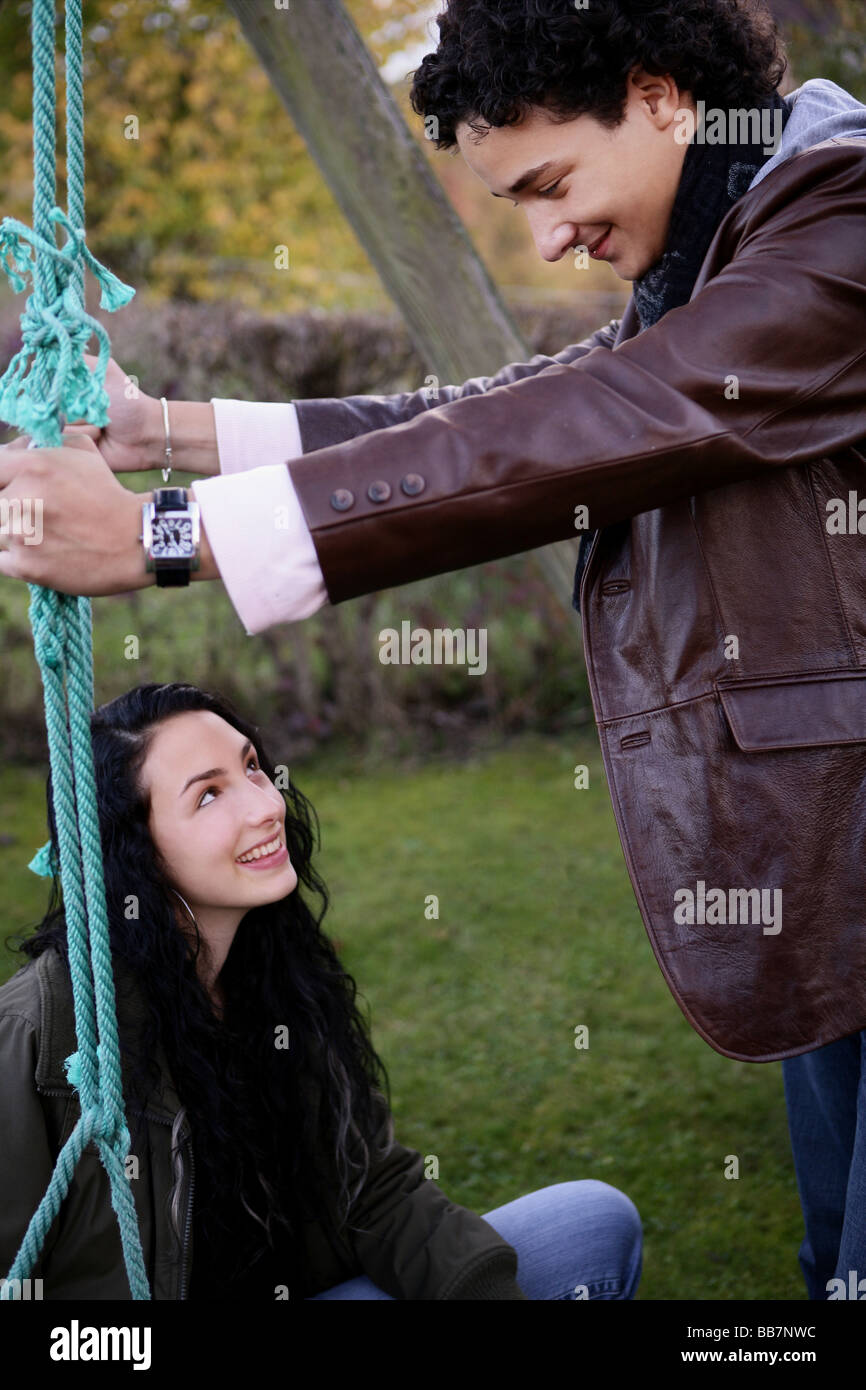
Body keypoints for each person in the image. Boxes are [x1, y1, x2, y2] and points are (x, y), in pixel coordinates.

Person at [1, 0, 865, 1299]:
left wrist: (164, 538)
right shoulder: (728, 242)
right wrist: (166, 428)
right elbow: (495, 408)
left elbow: (598, 425)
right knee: (826, 1260)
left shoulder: (839, 220)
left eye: (548, 183)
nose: (544, 237)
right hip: (834, 861)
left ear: (660, 94)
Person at [0, 681, 643, 1300]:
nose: (266, 805)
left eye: (251, 767)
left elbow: (374, 1189)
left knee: (592, 1224)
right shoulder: (42, 1033)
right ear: (132, 852)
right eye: (207, 796)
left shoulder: (274, 977)